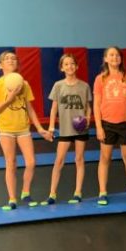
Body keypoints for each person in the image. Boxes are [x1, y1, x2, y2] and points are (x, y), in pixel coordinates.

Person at [0, 50, 53, 210]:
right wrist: (8, 100)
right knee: (11, 163)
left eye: (13, 58)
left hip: (23, 128)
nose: (11, 60)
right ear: (0, 65)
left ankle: (25, 192)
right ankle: (12, 199)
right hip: (6, 128)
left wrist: (40, 128)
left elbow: (29, 108)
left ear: (17, 64)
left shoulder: (24, 84)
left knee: (31, 162)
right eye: (7, 59)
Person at [93, 46, 126, 205]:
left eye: (118, 55)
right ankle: (102, 192)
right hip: (107, 124)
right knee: (105, 158)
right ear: (105, 59)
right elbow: (96, 104)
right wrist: (99, 127)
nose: (115, 58)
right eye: (111, 55)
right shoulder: (100, 79)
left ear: (121, 59)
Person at [46, 53, 92, 204]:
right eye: (66, 64)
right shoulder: (58, 86)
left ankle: (78, 193)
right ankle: (52, 194)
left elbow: (88, 107)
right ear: (62, 68)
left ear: (76, 66)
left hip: (80, 129)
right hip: (65, 129)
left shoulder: (84, 86)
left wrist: (88, 119)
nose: (69, 66)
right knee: (59, 161)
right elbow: (53, 108)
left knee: (79, 159)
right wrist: (51, 126)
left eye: (72, 63)